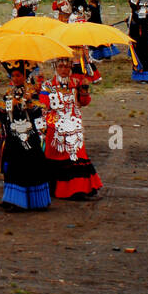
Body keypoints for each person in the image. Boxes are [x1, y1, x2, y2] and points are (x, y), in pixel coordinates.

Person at [39, 56, 102, 200]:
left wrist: (85, 88)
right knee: (56, 157)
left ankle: (78, 189)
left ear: (70, 68)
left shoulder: (76, 82)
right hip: (55, 127)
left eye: (66, 67)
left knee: (77, 155)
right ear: (55, 68)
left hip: (74, 125)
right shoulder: (48, 85)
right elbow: (44, 105)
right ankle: (56, 189)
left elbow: (84, 102)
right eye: (60, 67)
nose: (63, 70)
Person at [0, 65, 51, 212]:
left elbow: (40, 111)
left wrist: (29, 103)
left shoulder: (32, 91)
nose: (15, 78)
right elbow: (0, 111)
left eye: (19, 75)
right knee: (13, 167)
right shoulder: (9, 92)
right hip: (13, 137)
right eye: (13, 76)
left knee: (31, 166)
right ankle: (12, 199)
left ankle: (35, 200)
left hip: (29, 137)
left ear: (25, 76)